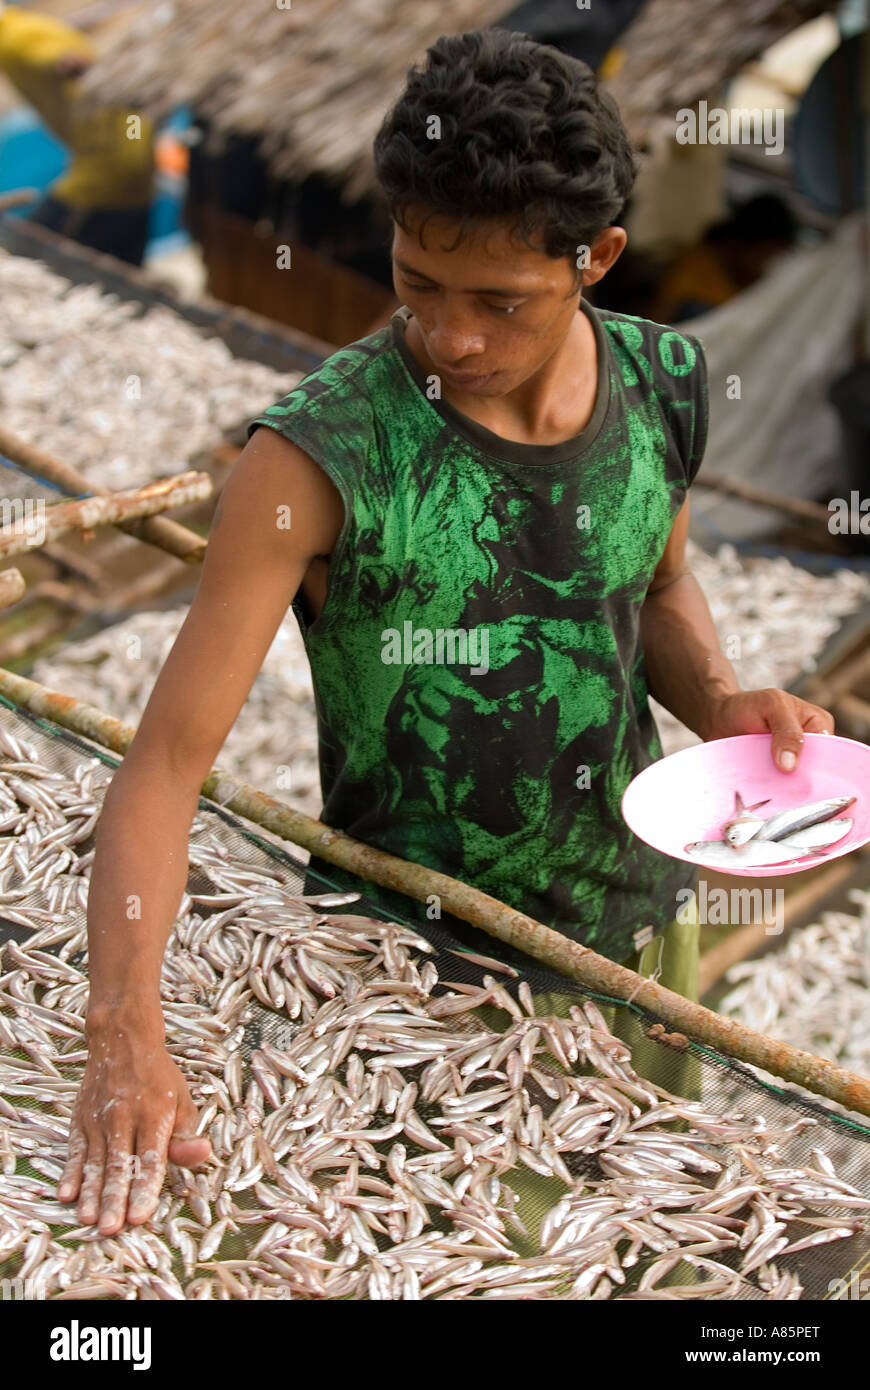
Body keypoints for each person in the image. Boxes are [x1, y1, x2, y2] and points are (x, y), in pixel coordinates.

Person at [57, 29, 834, 1236]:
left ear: (599, 258)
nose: (452, 337)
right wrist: (124, 1029)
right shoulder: (314, 457)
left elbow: (660, 587)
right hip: (412, 978)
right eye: (418, 282)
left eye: (501, 302)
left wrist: (727, 705)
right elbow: (161, 769)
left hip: (640, 925)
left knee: (645, 1240)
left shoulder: (667, 378)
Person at [0, 3, 155, 265]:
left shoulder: (15, 39)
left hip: (106, 171)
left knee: (27, 258)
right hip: (134, 148)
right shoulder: (29, 24)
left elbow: (58, 58)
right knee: (118, 264)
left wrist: (69, 65)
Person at [648, 194, 798, 325]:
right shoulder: (696, 268)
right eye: (764, 254)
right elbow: (659, 318)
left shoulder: (760, 287)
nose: (764, 266)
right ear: (738, 243)